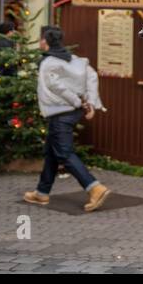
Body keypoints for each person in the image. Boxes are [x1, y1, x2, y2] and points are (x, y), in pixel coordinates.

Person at [23, 26, 110, 211]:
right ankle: (41, 192)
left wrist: (78, 101)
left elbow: (56, 86)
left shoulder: (48, 63)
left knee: (64, 153)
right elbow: (92, 75)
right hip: (71, 112)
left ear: (45, 42)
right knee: (51, 153)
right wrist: (90, 103)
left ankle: (94, 188)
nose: (39, 42)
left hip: (59, 113)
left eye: (41, 39)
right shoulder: (75, 60)